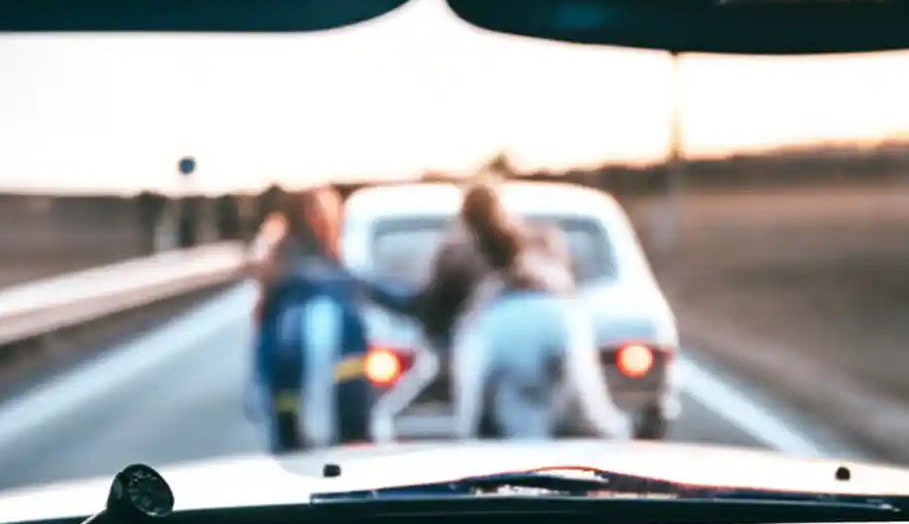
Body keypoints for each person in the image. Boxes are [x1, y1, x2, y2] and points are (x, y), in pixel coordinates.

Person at [382, 180, 630, 440]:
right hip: (557, 314)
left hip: (493, 323)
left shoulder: (455, 252)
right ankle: (623, 450)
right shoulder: (542, 238)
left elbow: (432, 313)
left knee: (475, 427)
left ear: (463, 215)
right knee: (587, 412)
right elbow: (570, 284)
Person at [251, 186, 413, 451]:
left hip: (288, 408)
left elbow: (263, 364)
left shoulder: (277, 277)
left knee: (289, 442)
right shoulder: (336, 281)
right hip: (342, 411)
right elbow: (399, 299)